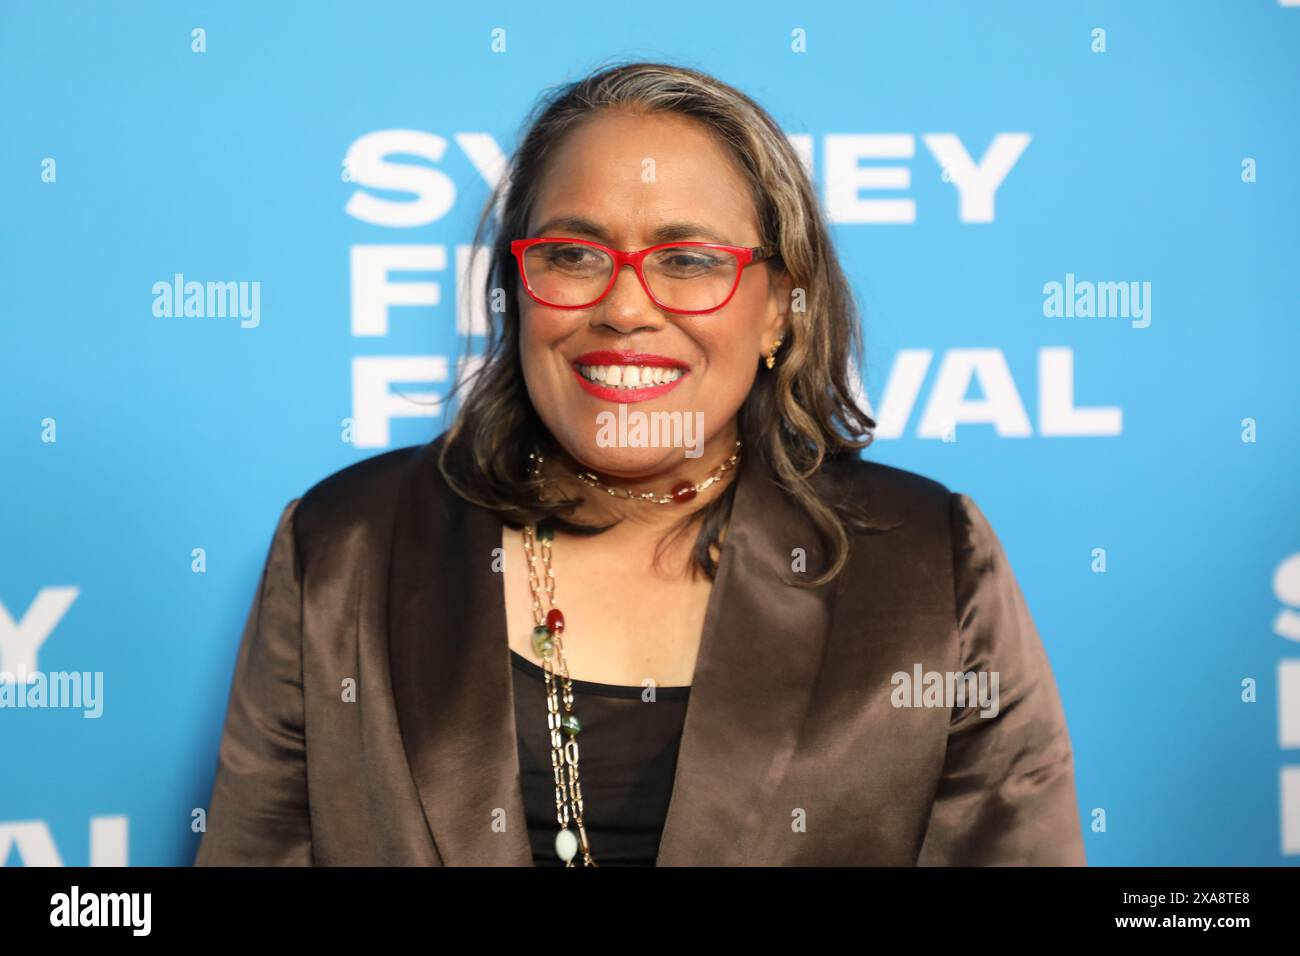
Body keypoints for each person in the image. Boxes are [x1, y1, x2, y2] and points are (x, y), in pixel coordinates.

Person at [194, 60, 1085, 867]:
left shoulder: (929, 564)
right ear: (516, 291)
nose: (624, 307)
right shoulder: (347, 548)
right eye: (574, 255)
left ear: (779, 307)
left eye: (688, 259)